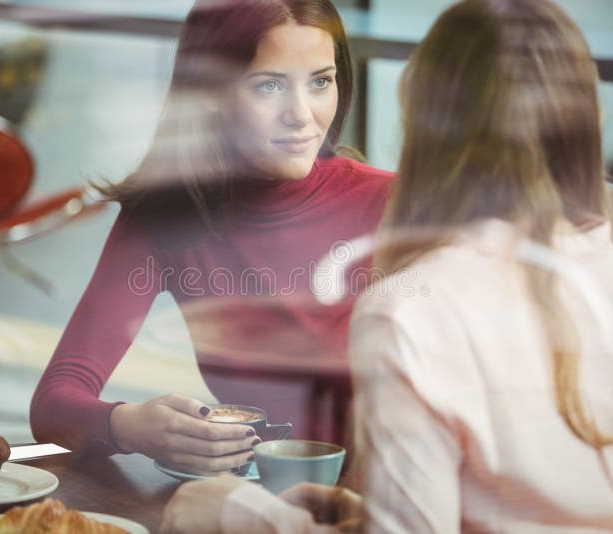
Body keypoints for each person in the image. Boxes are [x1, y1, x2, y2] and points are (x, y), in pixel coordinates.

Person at [158, 0, 613, 531]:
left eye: (321, 81)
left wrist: (239, 513)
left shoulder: (410, 315)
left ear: (428, 125)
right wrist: (364, 519)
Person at [30, 0, 393, 475]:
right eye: (269, 85)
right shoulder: (163, 219)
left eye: (321, 81)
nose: (301, 115)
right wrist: (130, 425)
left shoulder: (393, 203)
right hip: (262, 498)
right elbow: (54, 402)